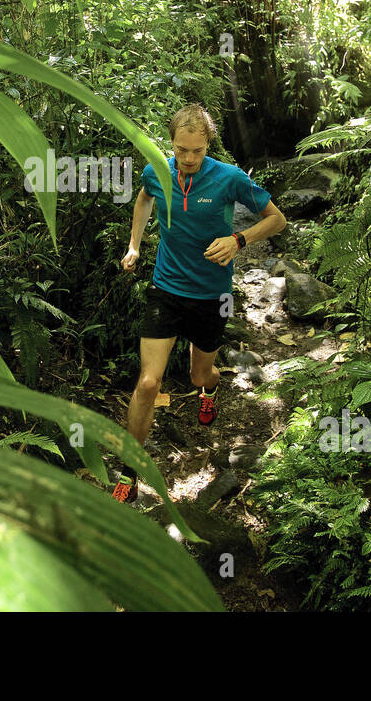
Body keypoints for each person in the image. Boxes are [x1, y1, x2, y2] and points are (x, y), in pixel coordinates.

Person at [112, 104, 287, 502]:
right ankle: (130, 469)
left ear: (209, 144)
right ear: (170, 143)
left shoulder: (229, 178)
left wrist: (238, 240)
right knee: (148, 383)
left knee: (197, 377)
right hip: (166, 289)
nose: (189, 159)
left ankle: (209, 390)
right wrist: (135, 245)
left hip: (213, 295)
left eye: (197, 151)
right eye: (181, 150)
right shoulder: (156, 170)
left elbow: (277, 219)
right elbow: (143, 200)